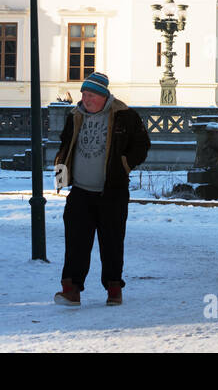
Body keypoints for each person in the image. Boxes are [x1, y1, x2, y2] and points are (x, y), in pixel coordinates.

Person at [53, 72, 151, 306]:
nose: (86, 99)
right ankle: (71, 290)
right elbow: (65, 146)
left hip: (112, 191)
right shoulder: (75, 116)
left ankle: (114, 289)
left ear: (103, 96)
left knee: (112, 242)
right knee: (75, 242)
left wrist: (125, 165)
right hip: (79, 192)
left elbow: (142, 145)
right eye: (84, 94)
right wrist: (60, 179)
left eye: (91, 95)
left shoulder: (124, 116)